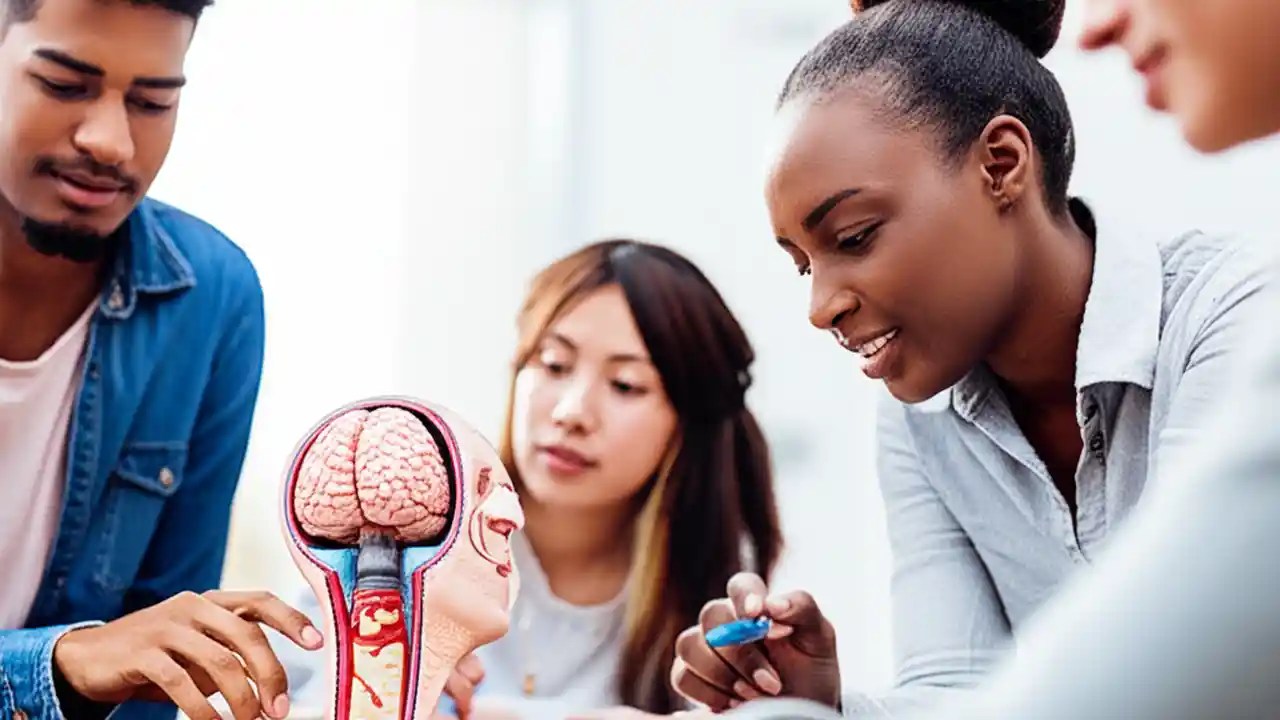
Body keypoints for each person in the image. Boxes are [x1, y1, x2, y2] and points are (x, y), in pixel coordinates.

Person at [668, 0, 1274, 716]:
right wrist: (828, 704)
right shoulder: (920, 418)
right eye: (805, 266)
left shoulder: (1235, 318)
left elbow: (1185, 678)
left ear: (1001, 164)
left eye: (855, 237)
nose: (821, 306)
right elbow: (955, 690)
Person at [278, 238, 784, 719]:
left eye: (626, 385)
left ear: (688, 422)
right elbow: (292, 696)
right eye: (554, 364)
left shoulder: (714, 602)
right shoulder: (401, 534)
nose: (571, 411)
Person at [0, 2, 322, 720]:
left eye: (152, 102)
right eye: (63, 85)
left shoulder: (212, 300)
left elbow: (160, 667)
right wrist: (60, 662)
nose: (110, 141)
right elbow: (105, 661)